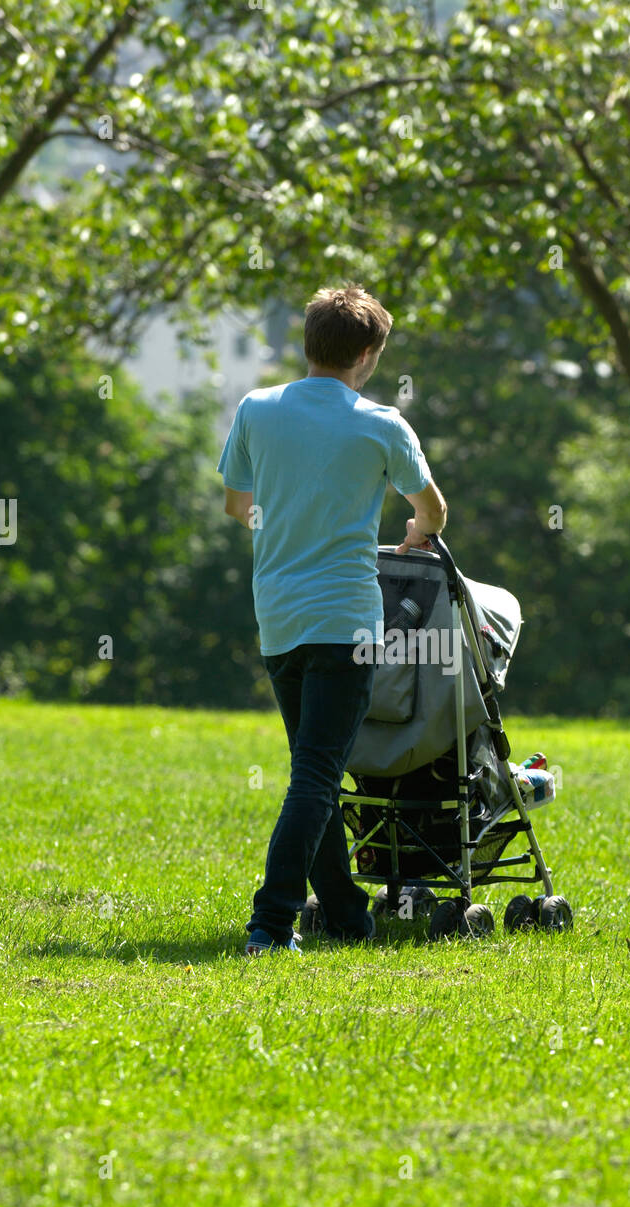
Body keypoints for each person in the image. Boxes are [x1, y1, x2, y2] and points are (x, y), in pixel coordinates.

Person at [218, 283, 448, 955]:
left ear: (309, 343)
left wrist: (285, 521)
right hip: (346, 619)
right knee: (317, 777)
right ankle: (271, 922)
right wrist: (413, 530)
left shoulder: (257, 409)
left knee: (308, 773)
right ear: (369, 354)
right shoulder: (381, 424)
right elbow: (433, 511)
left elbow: (238, 506)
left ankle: (346, 915)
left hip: (279, 617)